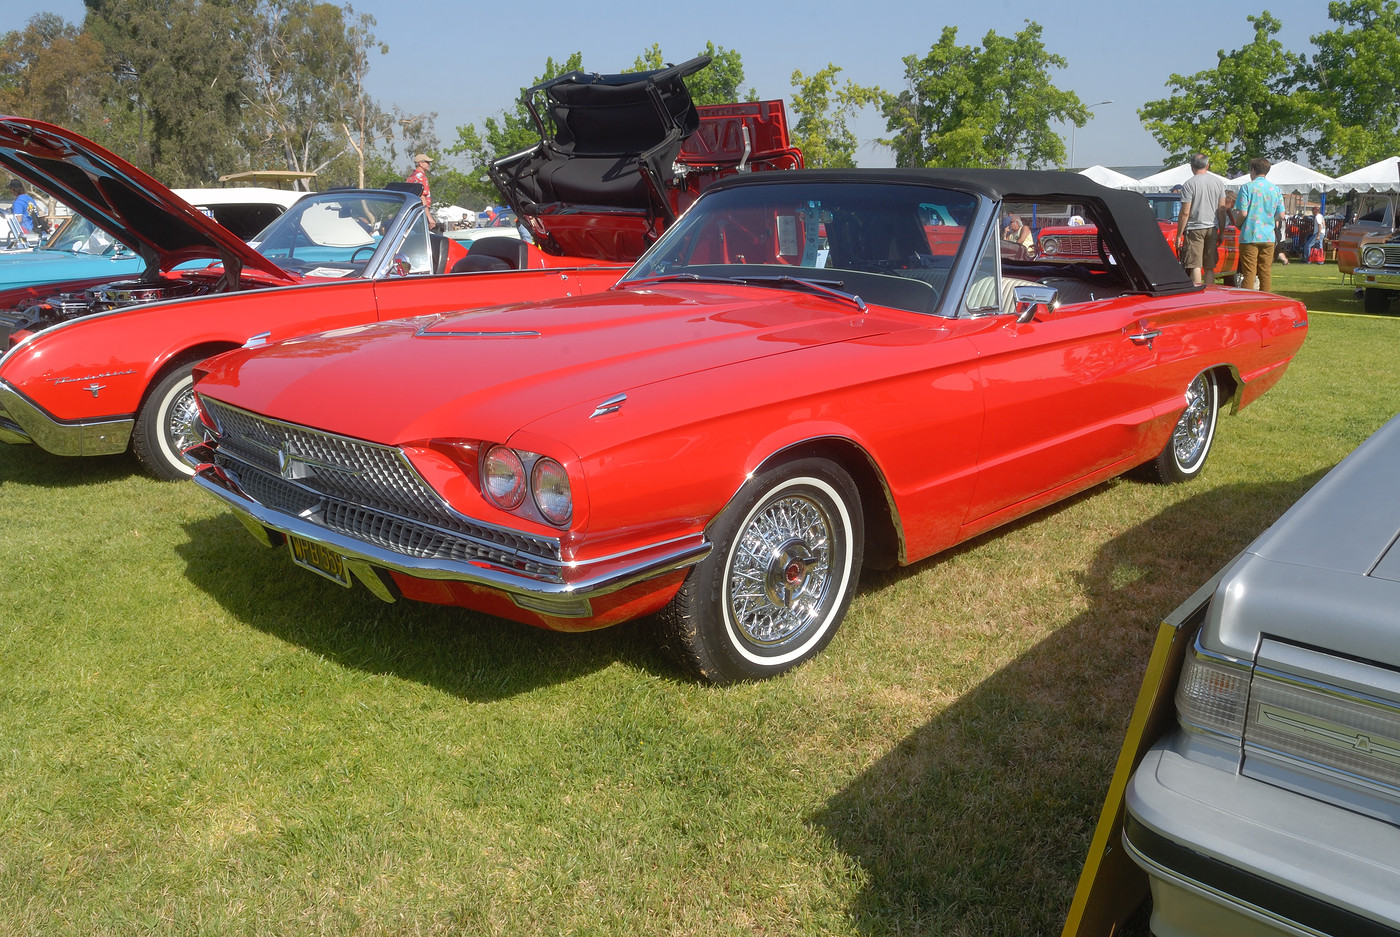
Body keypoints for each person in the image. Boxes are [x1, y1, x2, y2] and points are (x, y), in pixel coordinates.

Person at [1233, 157, 1285, 292]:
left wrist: (1238, 225)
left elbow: (1243, 213)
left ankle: (1247, 302)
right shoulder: (1276, 190)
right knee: (1265, 272)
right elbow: (1281, 215)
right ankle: (1265, 301)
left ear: (1253, 170)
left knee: (1249, 273)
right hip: (1268, 236)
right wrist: (1269, 221)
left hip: (1249, 235)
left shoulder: (1246, 188)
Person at [1174, 153, 1227, 286]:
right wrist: (1222, 230)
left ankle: (1198, 294)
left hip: (1194, 228)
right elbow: (1221, 209)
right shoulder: (1218, 183)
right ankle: (1210, 293)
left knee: (1195, 265)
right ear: (1207, 165)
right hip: (1212, 227)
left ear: (1192, 167)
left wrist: (1179, 234)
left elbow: (1185, 212)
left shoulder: (1188, 185)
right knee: (1209, 266)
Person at [405, 154, 437, 230]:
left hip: (412, 210)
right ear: (420, 163)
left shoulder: (411, 177)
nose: (429, 164)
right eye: (427, 162)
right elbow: (422, 197)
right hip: (421, 211)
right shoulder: (422, 177)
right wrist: (429, 217)